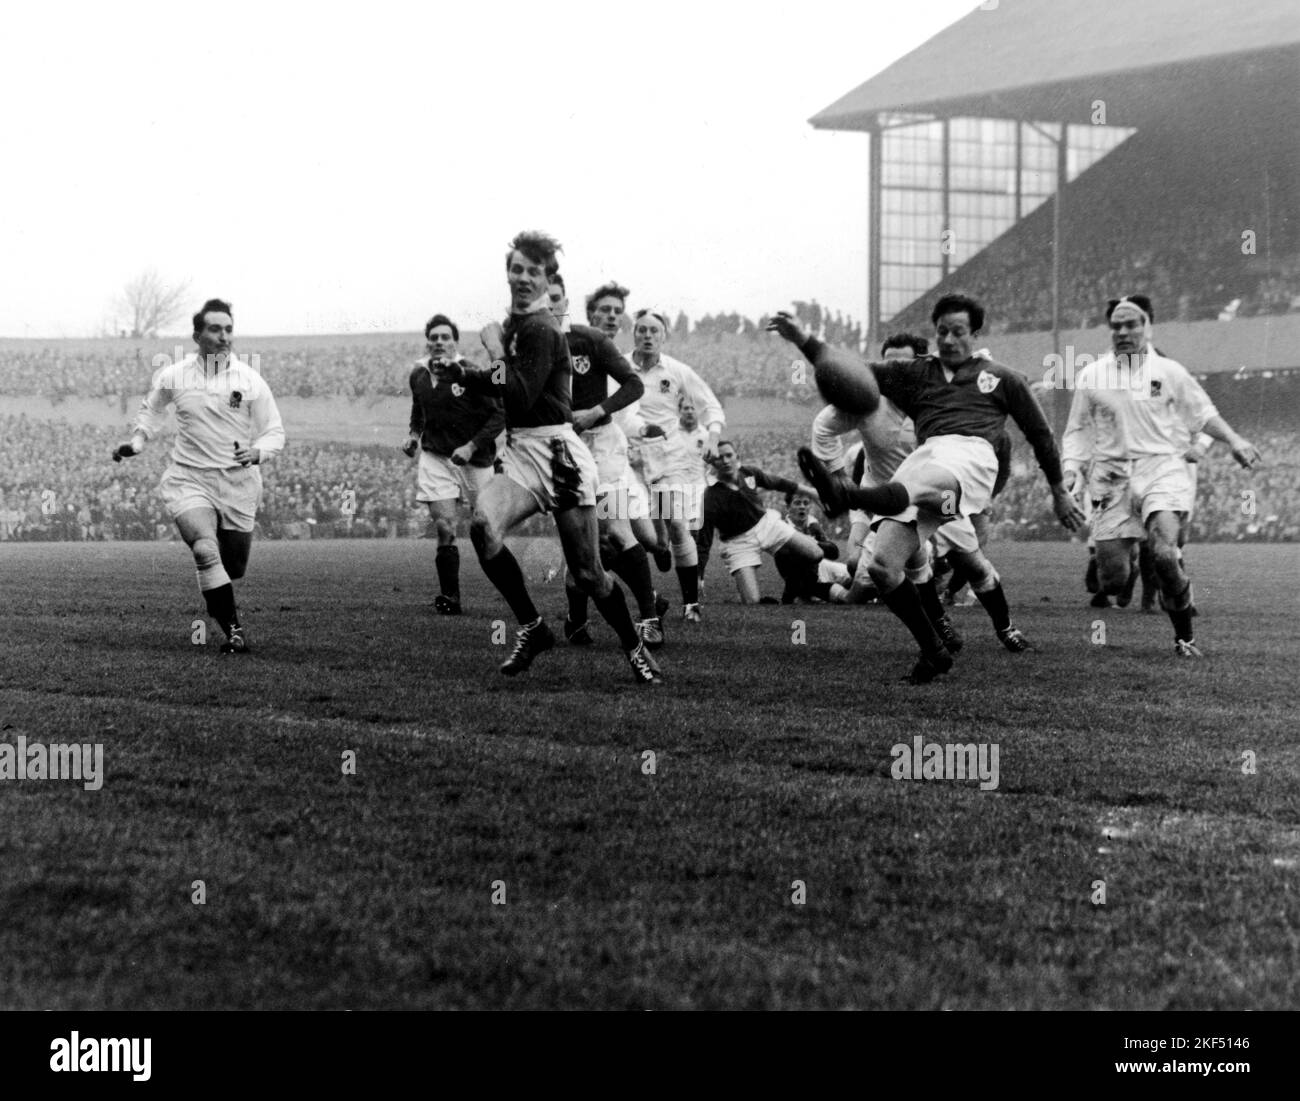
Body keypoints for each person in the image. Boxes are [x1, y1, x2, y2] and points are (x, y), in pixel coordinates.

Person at [774, 294, 1085, 684]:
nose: (949, 340)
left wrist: (1059, 490)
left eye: (958, 332)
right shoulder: (916, 373)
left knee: (967, 554)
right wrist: (802, 339)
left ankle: (849, 496)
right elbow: (851, 371)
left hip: (970, 459)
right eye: (942, 332)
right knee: (882, 566)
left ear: (975, 333)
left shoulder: (1003, 377)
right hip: (926, 466)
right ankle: (934, 651)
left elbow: (1040, 435)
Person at [450, 231, 661, 683]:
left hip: (560, 454)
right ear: (508, 273)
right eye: (517, 269)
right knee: (483, 527)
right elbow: (506, 385)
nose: (524, 277)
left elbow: (520, 395)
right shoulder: (515, 326)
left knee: (588, 574)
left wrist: (493, 352)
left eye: (534, 271)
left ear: (547, 280)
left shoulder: (542, 328)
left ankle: (635, 647)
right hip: (522, 451)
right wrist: (465, 374)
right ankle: (534, 628)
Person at [1062, 295, 1261, 656]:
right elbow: (1077, 428)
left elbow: (1203, 413)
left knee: (1166, 554)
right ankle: (1126, 562)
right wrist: (1071, 468)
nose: (1123, 332)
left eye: (1131, 324)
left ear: (1147, 327)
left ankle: (1184, 638)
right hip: (1111, 477)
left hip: (1162, 469)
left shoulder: (1170, 372)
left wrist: (1234, 439)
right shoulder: (1092, 375)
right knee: (1112, 580)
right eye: (1116, 326)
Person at [111, 298, 285, 653]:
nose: (224, 336)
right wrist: (138, 441)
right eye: (215, 329)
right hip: (189, 479)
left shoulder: (250, 380)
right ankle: (234, 633)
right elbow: (151, 410)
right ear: (197, 336)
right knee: (206, 551)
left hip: (237, 483)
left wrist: (258, 452)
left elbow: (274, 432)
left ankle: (215, 592)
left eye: (228, 329)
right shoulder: (175, 376)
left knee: (233, 567)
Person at [538, 274, 665, 649]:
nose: (547, 305)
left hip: (604, 448)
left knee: (618, 532)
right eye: (541, 299)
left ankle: (649, 618)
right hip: (561, 449)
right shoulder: (526, 348)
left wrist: (597, 411)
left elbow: (634, 385)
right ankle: (576, 620)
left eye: (554, 298)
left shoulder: (589, 340)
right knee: (581, 545)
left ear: (565, 303)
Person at [624, 308, 725, 622]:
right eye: (642, 330)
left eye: (654, 330)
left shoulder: (677, 371)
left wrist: (713, 437)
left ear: (664, 336)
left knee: (679, 524)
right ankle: (658, 546)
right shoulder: (620, 368)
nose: (648, 335)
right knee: (635, 534)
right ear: (634, 334)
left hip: (665, 461)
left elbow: (711, 405)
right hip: (626, 458)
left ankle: (691, 604)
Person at [401, 313, 503, 615]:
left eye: (445, 337)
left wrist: (471, 447)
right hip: (436, 458)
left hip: (475, 460)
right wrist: (413, 436)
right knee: (445, 526)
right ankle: (450, 598)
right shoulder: (418, 375)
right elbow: (418, 411)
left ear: (455, 343)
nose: (439, 342)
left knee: (486, 529)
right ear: (428, 343)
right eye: (434, 337)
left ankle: (509, 589)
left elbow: (499, 414)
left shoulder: (470, 373)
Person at [702, 441, 827, 604]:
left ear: (737, 457)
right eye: (719, 457)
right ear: (712, 462)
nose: (725, 461)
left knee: (816, 554)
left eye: (729, 455)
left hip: (766, 524)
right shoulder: (710, 495)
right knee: (752, 601)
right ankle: (746, 592)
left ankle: (795, 584)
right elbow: (704, 540)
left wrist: (811, 492)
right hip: (738, 542)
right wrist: (698, 576)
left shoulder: (749, 473)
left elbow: (778, 482)